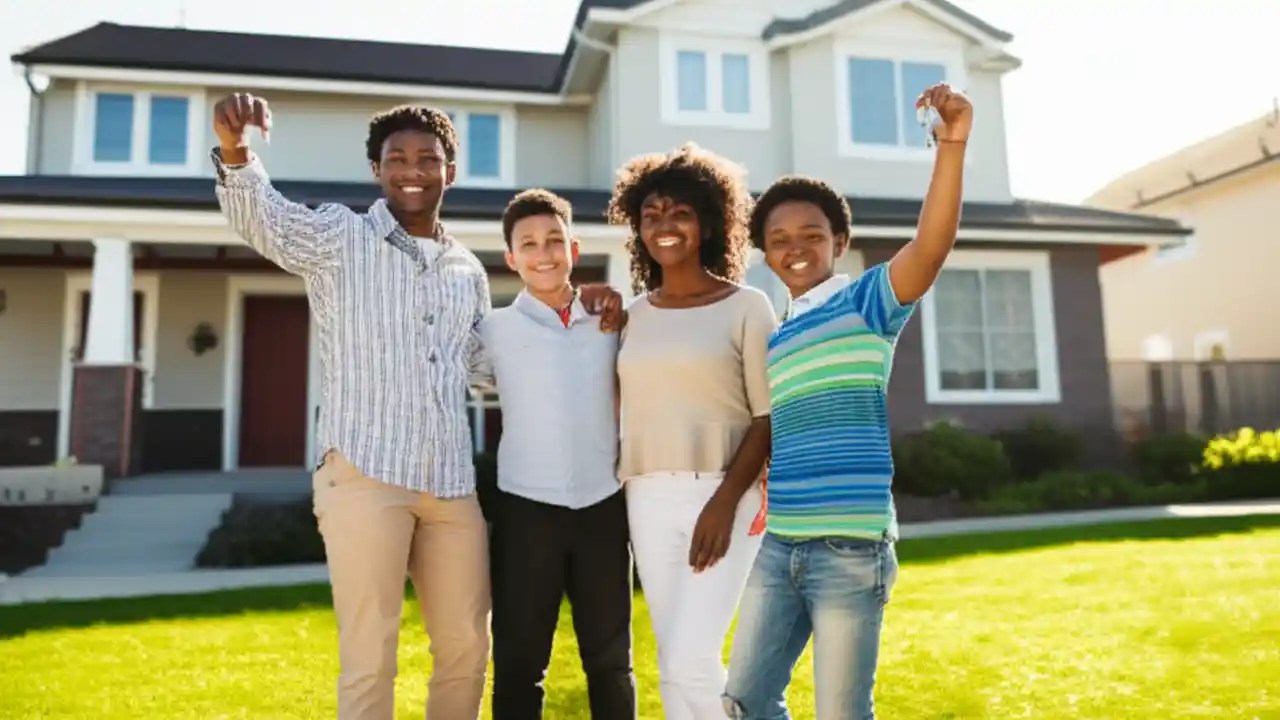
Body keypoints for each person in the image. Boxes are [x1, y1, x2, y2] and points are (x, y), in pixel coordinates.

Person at [210, 94, 619, 720]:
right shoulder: (339, 237)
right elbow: (266, 221)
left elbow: (490, 365)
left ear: (450, 171)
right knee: (370, 654)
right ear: (376, 169)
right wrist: (237, 152)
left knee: (466, 648)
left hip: (451, 488)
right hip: (365, 473)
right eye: (396, 158)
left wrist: (577, 309)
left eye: (427, 158)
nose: (412, 169)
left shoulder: (466, 270)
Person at [722, 83, 974, 720]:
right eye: (778, 238)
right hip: (780, 545)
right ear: (765, 253)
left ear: (838, 240)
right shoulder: (778, 336)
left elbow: (932, 247)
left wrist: (951, 145)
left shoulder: (866, 302)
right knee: (744, 702)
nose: (795, 247)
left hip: (851, 550)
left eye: (812, 233)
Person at [607, 143, 776, 719]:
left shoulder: (747, 308)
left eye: (679, 212)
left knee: (693, 658)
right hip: (647, 497)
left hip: (724, 492)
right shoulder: (631, 316)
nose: (664, 225)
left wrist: (725, 502)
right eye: (650, 214)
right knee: (676, 661)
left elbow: (766, 416)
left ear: (707, 222)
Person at [477, 189, 636, 719]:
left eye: (553, 241)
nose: (543, 254)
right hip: (526, 509)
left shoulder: (611, 320)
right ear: (510, 257)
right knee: (521, 663)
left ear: (573, 246)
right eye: (528, 244)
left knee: (611, 661)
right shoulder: (492, 330)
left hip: (603, 507)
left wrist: (610, 298)